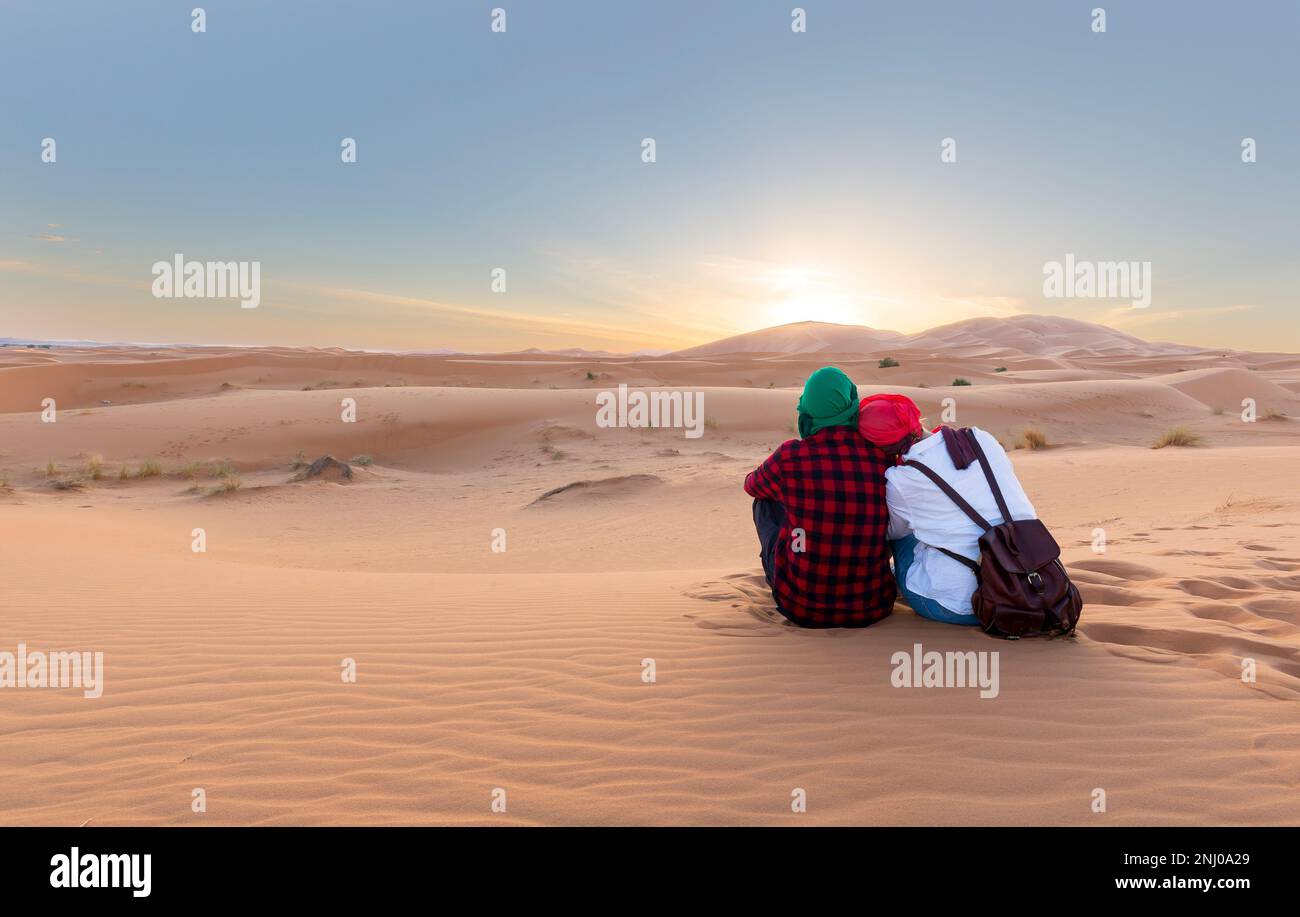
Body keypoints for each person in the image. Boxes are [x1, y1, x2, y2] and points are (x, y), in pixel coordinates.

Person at [857, 394, 1036, 625]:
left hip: (958, 607)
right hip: (1031, 591)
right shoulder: (981, 438)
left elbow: (892, 533)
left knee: (902, 532)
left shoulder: (902, 479)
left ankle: (882, 583)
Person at [743, 367, 895, 627]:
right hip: (872, 606)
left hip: (801, 607)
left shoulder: (790, 456)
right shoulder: (881, 458)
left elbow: (752, 486)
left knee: (764, 502)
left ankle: (787, 567)